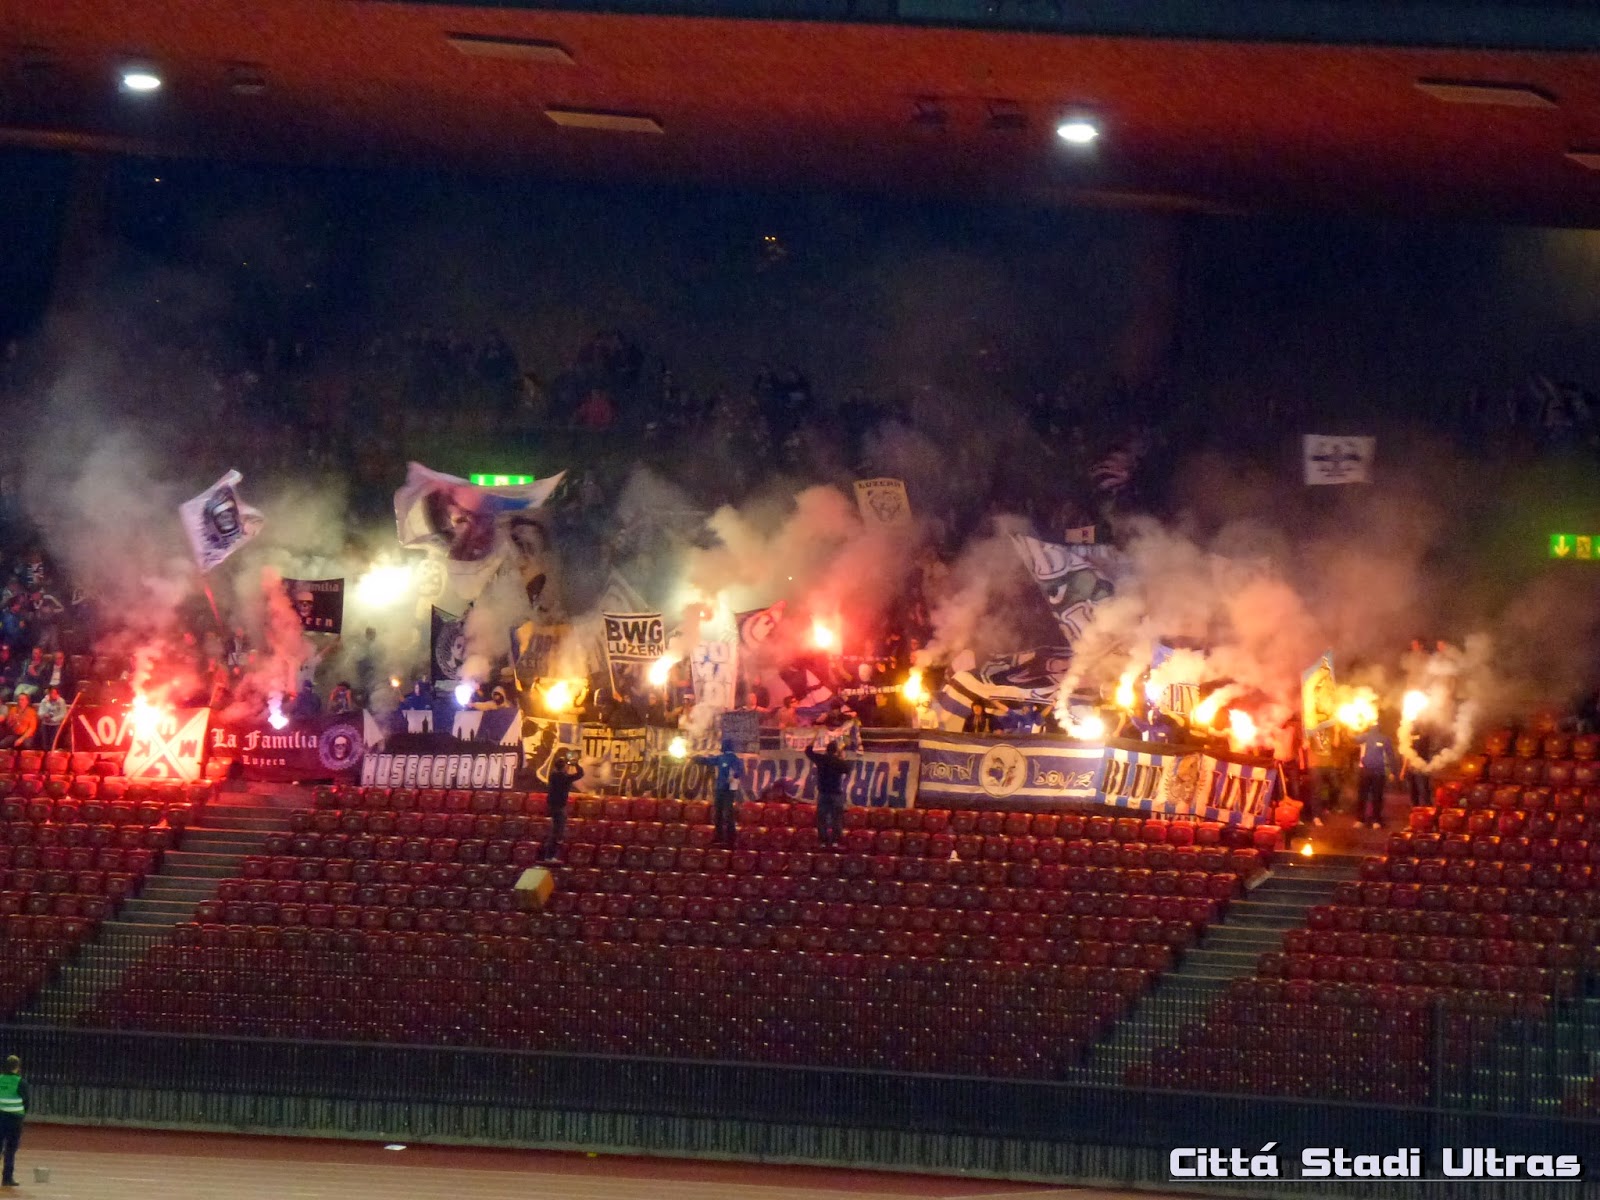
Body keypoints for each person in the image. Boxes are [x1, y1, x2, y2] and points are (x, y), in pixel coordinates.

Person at [693, 739, 745, 847]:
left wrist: (732, 777)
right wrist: (696, 758)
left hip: (727, 789)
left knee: (726, 814)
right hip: (722, 789)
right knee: (720, 814)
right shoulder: (725, 758)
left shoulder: (730, 759)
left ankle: (729, 839)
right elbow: (708, 760)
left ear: (725, 747)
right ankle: (721, 838)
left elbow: (738, 772)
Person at [805, 736, 851, 848]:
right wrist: (842, 756)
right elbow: (847, 769)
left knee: (821, 818)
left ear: (826, 749)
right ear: (835, 751)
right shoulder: (838, 762)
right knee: (837, 818)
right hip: (836, 793)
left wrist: (814, 737)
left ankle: (823, 842)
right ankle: (835, 841)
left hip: (823, 793)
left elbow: (808, 751)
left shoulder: (821, 759)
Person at [541, 750, 584, 860]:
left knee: (556, 831)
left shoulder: (553, 775)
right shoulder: (564, 777)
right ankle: (550, 856)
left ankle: (549, 855)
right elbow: (580, 774)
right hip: (559, 807)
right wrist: (576, 764)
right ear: (564, 766)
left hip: (552, 805)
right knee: (557, 832)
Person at [1355, 723, 1398, 829]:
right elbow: (1354, 739)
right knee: (1362, 796)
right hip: (1365, 770)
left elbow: (1390, 754)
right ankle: (1361, 819)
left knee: (1377, 796)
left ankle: (1376, 820)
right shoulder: (1364, 737)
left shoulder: (1384, 739)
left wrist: (1392, 771)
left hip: (1379, 772)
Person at [1304, 726, 1347, 828]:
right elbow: (1305, 745)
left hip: (1329, 764)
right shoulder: (1311, 729)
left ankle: (1330, 806)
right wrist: (1306, 740)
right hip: (1315, 764)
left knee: (1336, 785)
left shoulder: (1330, 730)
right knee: (1316, 790)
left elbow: (1336, 744)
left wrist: (1337, 732)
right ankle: (1316, 816)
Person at [0, 1054, 24, 1187]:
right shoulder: (20, 1082)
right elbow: (26, 1101)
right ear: (17, 1067)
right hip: (15, 1118)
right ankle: (7, 1178)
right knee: (11, 1148)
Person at [35, 687, 66, 752]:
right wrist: (44, 715)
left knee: (53, 742)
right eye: (51, 693)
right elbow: (40, 713)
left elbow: (63, 714)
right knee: (45, 743)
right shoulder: (44, 701)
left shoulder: (61, 701)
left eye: (54, 693)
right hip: (45, 724)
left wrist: (53, 719)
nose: (53, 695)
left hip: (56, 725)